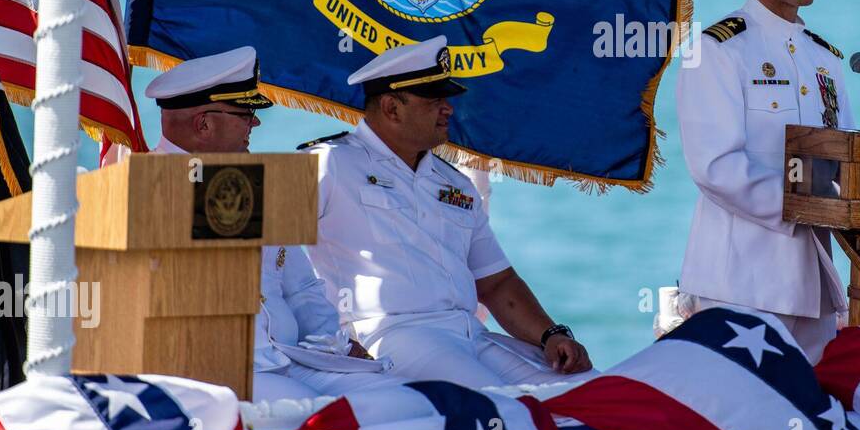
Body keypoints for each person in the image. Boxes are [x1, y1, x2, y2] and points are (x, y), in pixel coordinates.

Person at [303, 36, 593, 389]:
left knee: (591, 392)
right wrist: (320, 334)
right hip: (392, 335)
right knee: (505, 407)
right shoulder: (328, 163)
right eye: (434, 99)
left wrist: (551, 335)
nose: (449, 109)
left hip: (470, 334)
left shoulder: (453, 181)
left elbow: (497, 282)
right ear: (392, 108)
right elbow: (271, 256)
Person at [145, 46, 402, 401]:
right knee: (333, 425)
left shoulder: (258, 183)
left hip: (291, 358)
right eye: (245, 112)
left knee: (399, 397)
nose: (255, 122)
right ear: (204, 123)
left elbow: (302, 288)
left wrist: (337, 345)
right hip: (218, 374)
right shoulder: (145, 193)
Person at [675, 0, 855, 364]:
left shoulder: (825, 59)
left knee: (810, 416)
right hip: (741, 280)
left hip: (812, 282)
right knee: (741, 421)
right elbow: (717, 167)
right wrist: (808, 205)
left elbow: (846, 157)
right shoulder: (717, 49)